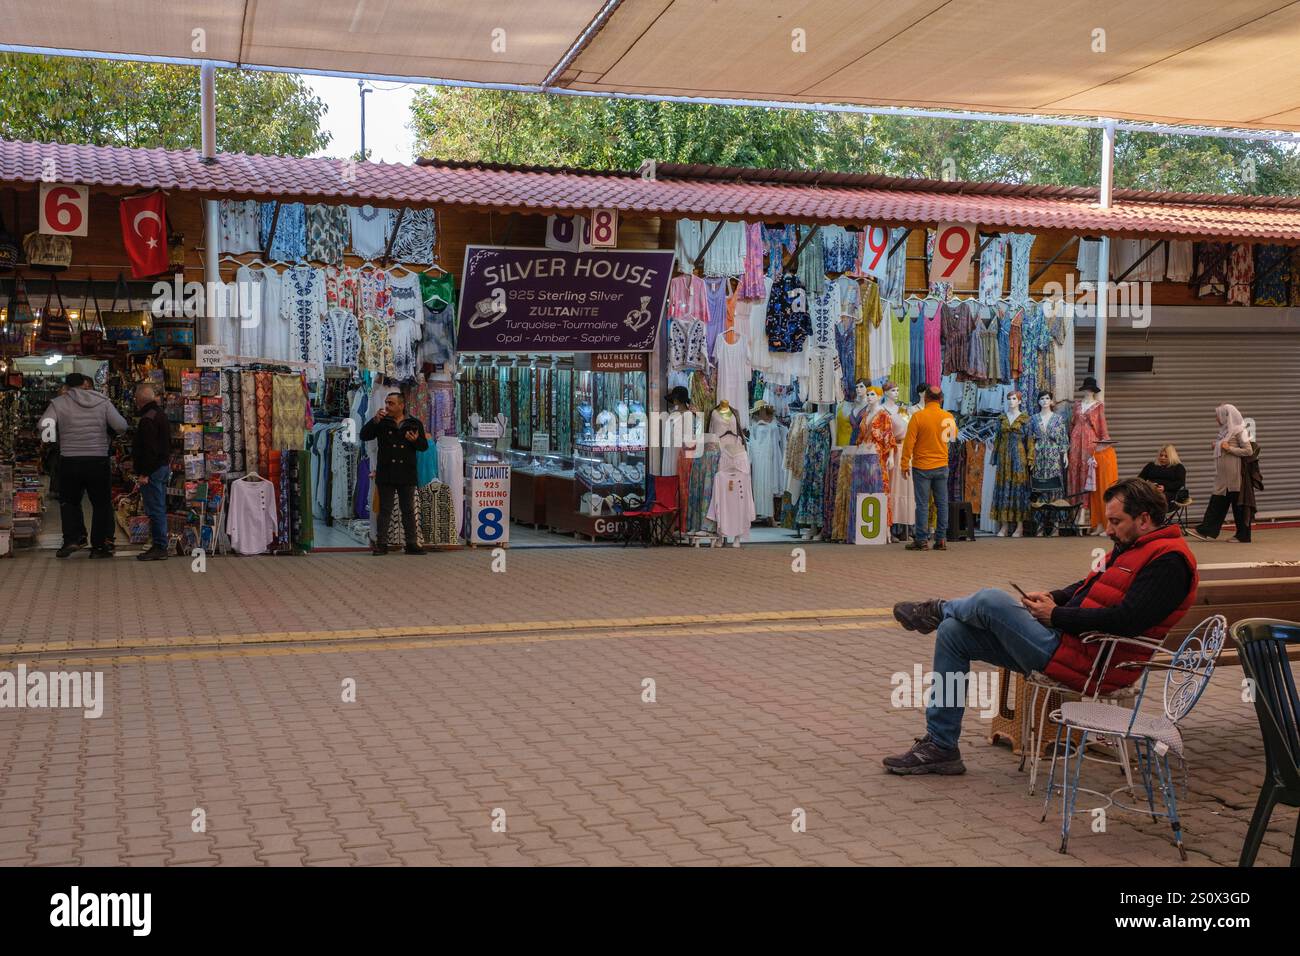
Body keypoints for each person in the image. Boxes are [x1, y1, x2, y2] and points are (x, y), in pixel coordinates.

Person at [885, 477, 1197, 775]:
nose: (1109, 530)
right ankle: (941, 746)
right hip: (1068, 645)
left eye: (1116, 522)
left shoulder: (1169, 562)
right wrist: (1053, 598)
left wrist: (1055, 615)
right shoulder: (1130, 546)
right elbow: (1087, 585)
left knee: (991, 601)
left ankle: (937, 609)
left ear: (1144, 519)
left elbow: (1127, 620)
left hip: (1094, 665)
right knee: (954, 634)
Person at [41, 372, 128, 559]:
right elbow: (121, 426)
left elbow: (44, 425)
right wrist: (108, 434)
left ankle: (73, 539)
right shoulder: (102, 401)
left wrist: (55, 438)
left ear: (68, 386)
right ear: (85, 384)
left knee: (70, 502)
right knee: (101, 503)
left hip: (70, 459)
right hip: (97, 459)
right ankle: (101, 546)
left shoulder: (59, 402)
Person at [359, 390, 428, 555]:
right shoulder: (382, 422)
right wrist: (374, 422)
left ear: (401, 405)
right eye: (386, 403)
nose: (387, 406)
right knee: (385, 510)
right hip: (387, 471)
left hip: (406, 472)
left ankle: (411, 543)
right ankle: (381, 544)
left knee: (408, 510)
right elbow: (364, 436)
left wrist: (415, 440)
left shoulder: (414, 423)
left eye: (391, 403)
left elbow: (423, 446)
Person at [899, 384, 956, 552]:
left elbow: (909, 443)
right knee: (942, 503)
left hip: (922, 467)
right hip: (941, 465)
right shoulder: (948, 417)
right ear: (941, 400)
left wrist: (904, 463)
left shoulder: (918, 417)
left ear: (926, 398)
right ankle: (941, 539)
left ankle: (922, 540)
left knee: (922, 504)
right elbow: (952, 439)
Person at [1189, 404, 1256, 544]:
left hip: (1236, 477)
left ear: (1227, 416)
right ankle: (1205, 531)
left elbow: (1249, 451)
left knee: (1239, 506)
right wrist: (1217, 445)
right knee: (1216, 503)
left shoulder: (1239, 431)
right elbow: (1224, 447)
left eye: (1218, 415)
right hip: (1223, 478)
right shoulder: (1225, 432)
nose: (1216, 418)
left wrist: (1229, 448)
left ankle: (1243, 536)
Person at [131, 383, 173, 561]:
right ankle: (159, 544)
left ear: (139, 400)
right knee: (159, 507)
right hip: (161, 467)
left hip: (153, 471)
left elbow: (149, 450)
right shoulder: (159, 414)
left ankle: (160, 546)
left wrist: (144, 473)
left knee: (155, 508)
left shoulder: (148, 419)